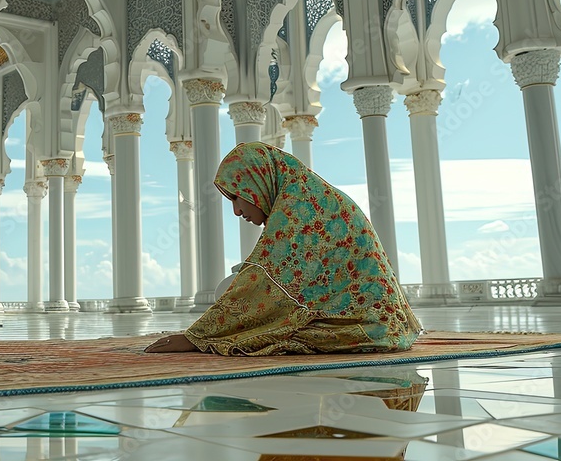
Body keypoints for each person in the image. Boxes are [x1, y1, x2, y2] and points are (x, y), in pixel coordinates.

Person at [146, 142, 422, 355]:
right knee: (236, 283)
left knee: (239, 292)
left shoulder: (302, 208)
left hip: (367, 323)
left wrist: (199, 337)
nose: (237, 210)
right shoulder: (304, 196)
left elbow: (271, 282)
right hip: (378, 318)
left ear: (258, 183)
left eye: (237, 197)